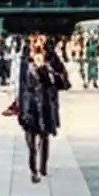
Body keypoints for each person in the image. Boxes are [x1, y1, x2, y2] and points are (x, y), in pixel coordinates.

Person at [18, 37, 60, 184]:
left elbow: (59, 83)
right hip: (29, 105)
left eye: (40, 41)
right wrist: (21, 107)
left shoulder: (51, 60)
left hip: (45, 103)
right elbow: (21, 85)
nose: (37, 44)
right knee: (30, 141)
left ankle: (42, 166)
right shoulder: (25, 61)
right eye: (34, 41)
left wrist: (43, 68)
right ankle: (33, 169)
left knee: (44, 136)